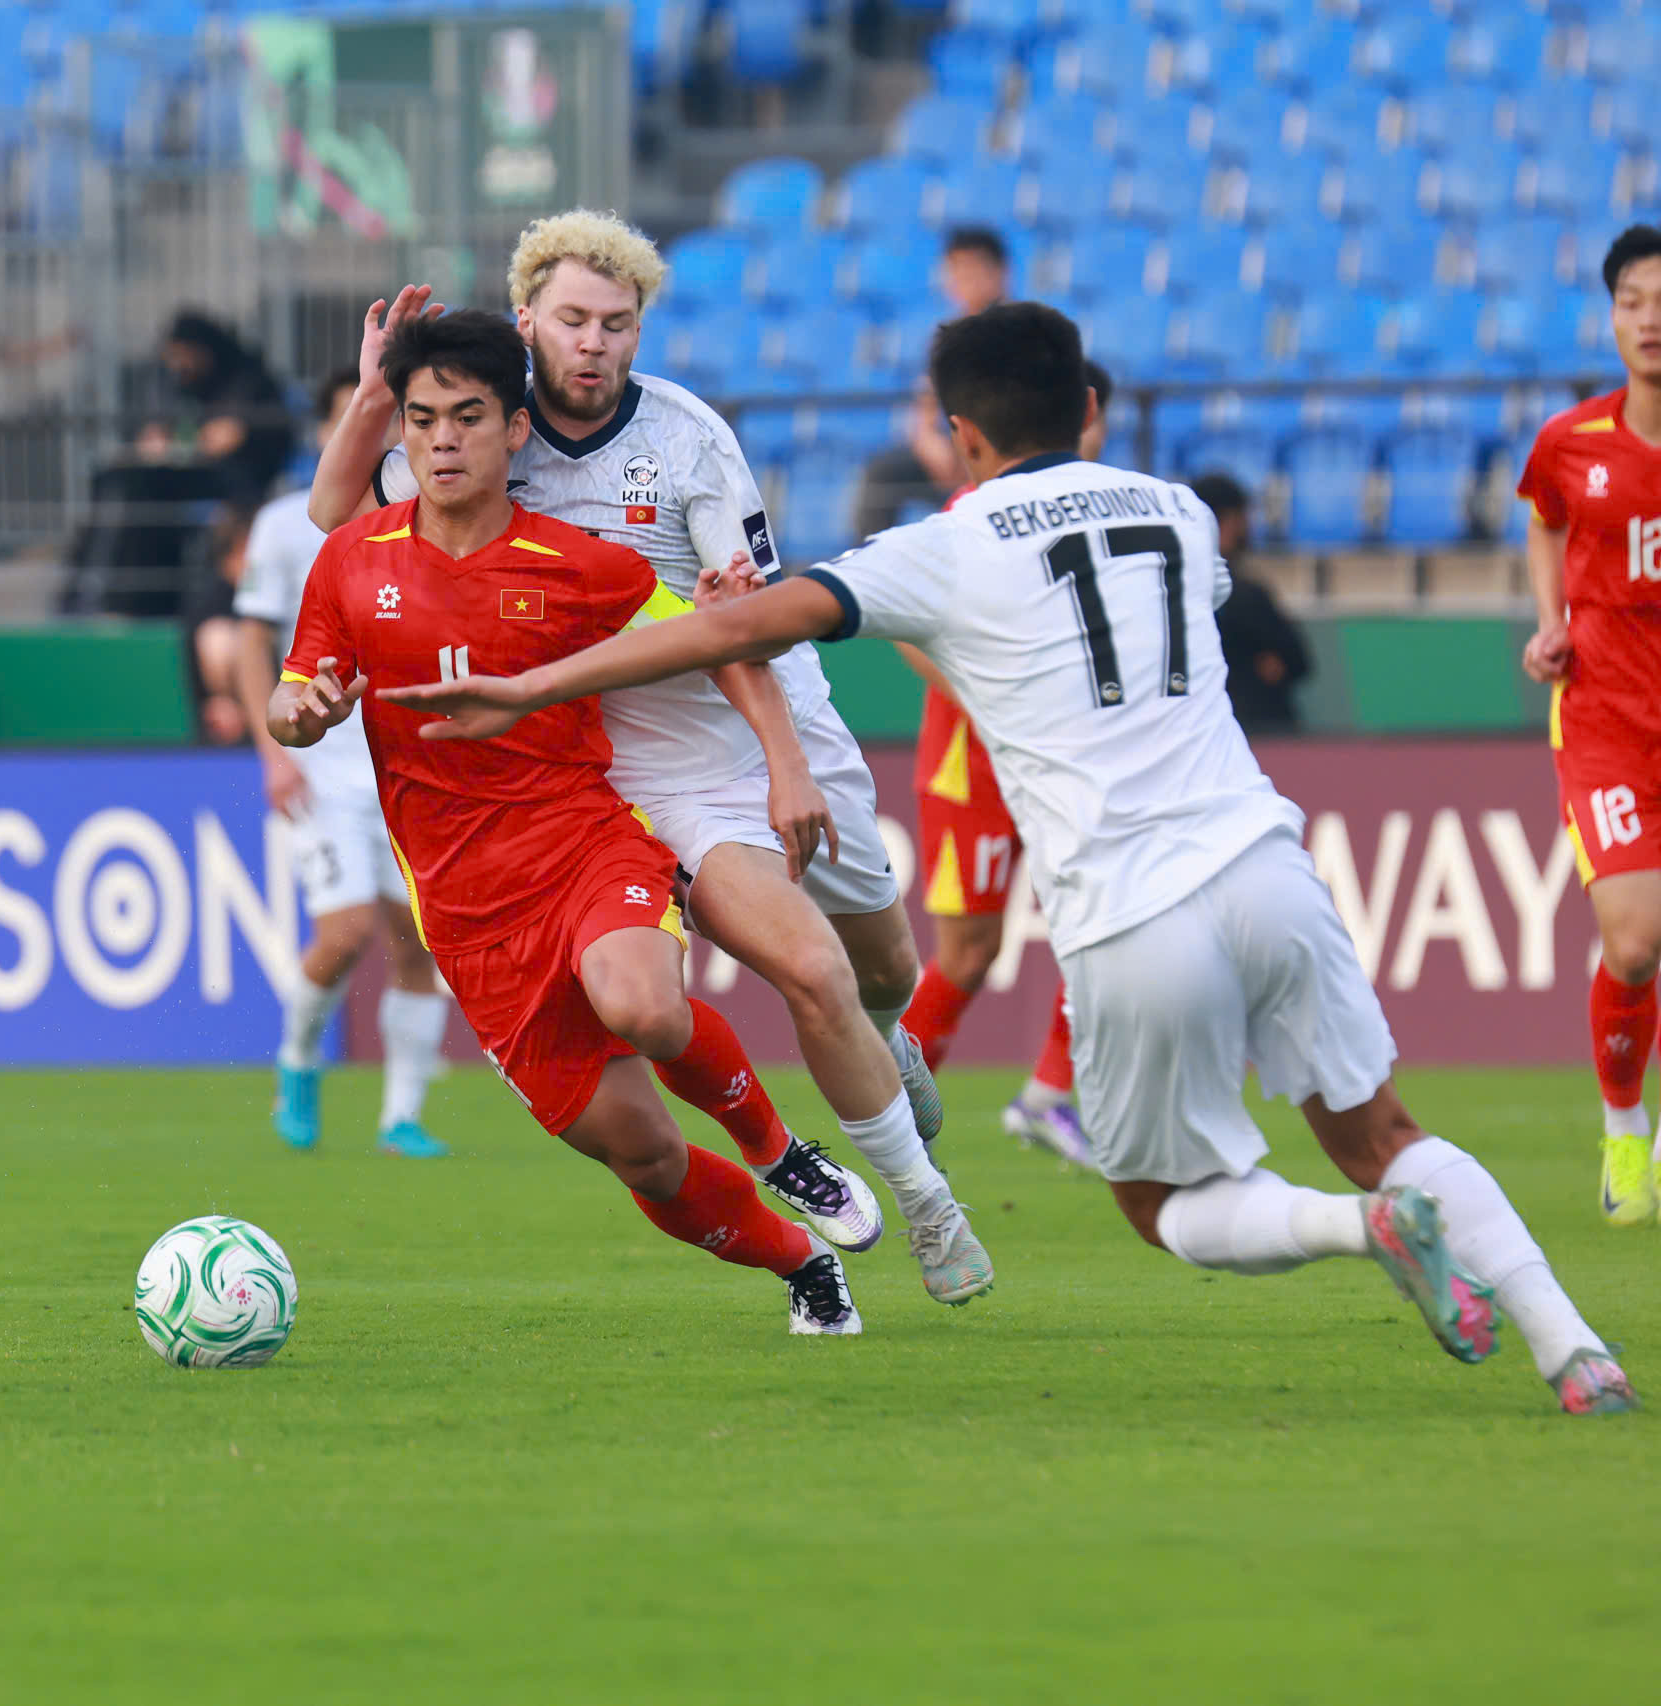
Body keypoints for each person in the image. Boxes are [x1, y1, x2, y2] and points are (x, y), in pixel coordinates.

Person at [391, 301, 1635, 1415]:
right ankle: (1574, 1350)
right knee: (1384, 1124)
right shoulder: (1182, 510)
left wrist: (538, 681)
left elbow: (738, 621)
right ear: (1090, 408)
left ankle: (1366, 1227)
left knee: (1165, 1206)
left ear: (957, 435)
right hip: (1267, 863)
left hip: (1131, 909)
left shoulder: (946, 543)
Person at [307, 214, 987, 1307]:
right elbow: (339, 522)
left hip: (766, 704)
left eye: (616, 325)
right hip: (645, 756)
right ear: (529, 320)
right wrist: (377, 396)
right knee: (802, 970)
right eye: (572, 320)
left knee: (881, 973)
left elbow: (747, 626)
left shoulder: (687, 440)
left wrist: (787, 762)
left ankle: (884, 1043)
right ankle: (924, 1208)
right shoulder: (486, 425)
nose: (593, 343)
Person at [893, 360, 1114, 1169]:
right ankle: (891, 1114)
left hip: (1064, 766)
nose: (1084, 440)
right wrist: (985, 693)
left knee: (1103, 929)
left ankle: (1051, 1096)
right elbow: (907, 625)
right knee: (968, 955)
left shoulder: (1112, 512)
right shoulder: (973, 517)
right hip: (973, 769)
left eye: (1092, 426)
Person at [229, 367, 449, 1159]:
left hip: (408, 763)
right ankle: (297, 1062)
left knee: (417, 939)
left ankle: (403, 1115)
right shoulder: (288, 525)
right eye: (355, 416)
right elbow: (253, 641)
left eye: (390, 418)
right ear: (330, 429)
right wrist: (272, 748)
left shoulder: (426, 519)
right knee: (346, 928)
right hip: (324, 764)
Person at [1517, 222, 1661, 1231]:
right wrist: (1549, 622)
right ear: (1612, 318)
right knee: (1637, 937)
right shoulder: (1572, 442)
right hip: (1606, 716)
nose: (1650, 322)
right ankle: (1623, 1124)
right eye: (1633, 303)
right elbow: (1544, 519)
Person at [854, 226, 1011, 538]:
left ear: (999, 274)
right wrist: (929, 442)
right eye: (956, 269)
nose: (963, 279)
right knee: (883, 472)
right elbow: (925, 403)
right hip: (954, 451)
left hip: (1002, 452)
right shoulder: (947, 335)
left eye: (973, 268)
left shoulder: (1021, 332)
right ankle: (868, 569)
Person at [1192, 472, 1313, 736]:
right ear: (1226, 522)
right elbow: (1298, 661)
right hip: (1263, 732)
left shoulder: (1171, 591)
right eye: (1242, 517)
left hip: (1201, 735)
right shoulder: (1247, 595)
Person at [161, 309, 295, 509]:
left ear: (202, 351)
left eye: (183, 355)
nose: (177, 365)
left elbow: (229, 437)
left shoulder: (248, 381)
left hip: (244, 478)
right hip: (196, 473)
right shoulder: (183, 385)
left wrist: (176, 443)